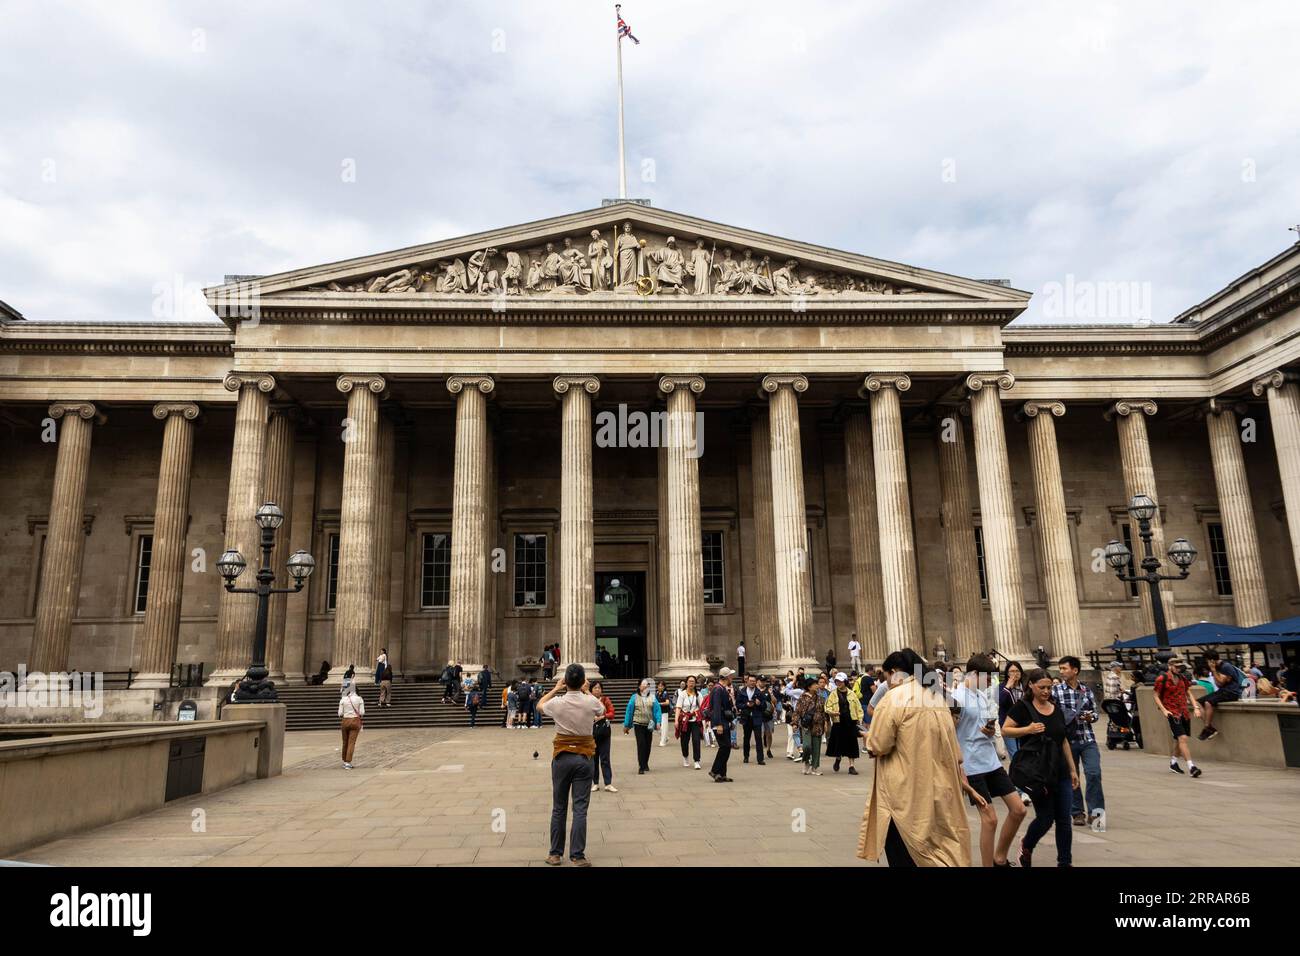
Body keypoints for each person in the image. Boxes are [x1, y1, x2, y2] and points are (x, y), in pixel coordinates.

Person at [858, 649, 971, 867]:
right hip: (940, 787)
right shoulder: (936, 697)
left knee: (905, 852)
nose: (886, 682)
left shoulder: (894, 698)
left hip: (904, 792)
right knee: (939, 850)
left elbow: (879, 744)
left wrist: (868, 738)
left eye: (886, 676)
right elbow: (955, 749)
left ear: (894, 672)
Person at [953, 654, 1026, 866]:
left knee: (1019, 809)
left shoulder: (982, 696)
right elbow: (949, 732)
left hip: (990, 759)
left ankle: (999, 858)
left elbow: (987, 725)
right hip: (971, 764)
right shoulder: (956, 697)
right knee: (990, 819)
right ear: (974, 674)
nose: (988, 683)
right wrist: (959, 769)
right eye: (987, 679)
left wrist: (989, 729)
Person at [1004, 667, 1079, 867]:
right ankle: (1027, 845)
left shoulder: (1056, 708)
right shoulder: (1023, 707)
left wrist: (1072, 769)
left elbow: (1063, 741)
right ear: (1031, 685)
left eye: (1049, 688)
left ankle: (1065, 862)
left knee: (1064, 820)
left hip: (1060, 770)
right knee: (1045, 818)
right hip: (1038, 773)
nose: (1046, 692)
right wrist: (1027, 729)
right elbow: (1005, 730)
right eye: (1042, 688)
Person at [539, 664, 605, 866]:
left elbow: (540, 705)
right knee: (580, 809)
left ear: (565, 681)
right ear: (583, 681)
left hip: (562, 758)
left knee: (559, 807)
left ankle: (555, 854)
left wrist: (556, 688)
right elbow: (601, 708)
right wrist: (586, 691)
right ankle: (577, 855)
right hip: (584, 758)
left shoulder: (558, 702)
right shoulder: (589, 702)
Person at [1052, 655, 1105, 831]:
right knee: (1071, 778)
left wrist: (1091, 716)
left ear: (1075, 670)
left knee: (1094, 774)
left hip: (1087, 738)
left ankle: (1096, 815)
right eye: (1060, 669)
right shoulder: (1056, 691)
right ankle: (1077, 813)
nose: (1061, 672)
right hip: (1067, 740)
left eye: (1064, 668)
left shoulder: (1087, 691)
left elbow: (1095, 713)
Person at [1154, 656, 1202, 777]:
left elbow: (1188, 692)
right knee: (1183, 738)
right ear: (1170, 666)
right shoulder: (1162, 679)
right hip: (1172, 712)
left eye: (1180, 666)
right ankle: (1192, 767)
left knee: (1179, 740)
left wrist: (1195, 707)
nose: (1179, 669)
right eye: (1176, 667)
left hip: (1184, 712)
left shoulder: (1182, 678)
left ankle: (1173, 763)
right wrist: (1164, 710)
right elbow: (1155, 695)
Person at [1198, 649, 1245, 740]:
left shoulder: (1225, 667)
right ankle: (1209, 728)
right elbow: (1218, 684)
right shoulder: (1218, 667)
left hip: (1232, 692)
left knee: (1208, 702)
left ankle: (1207, 728)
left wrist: (1213, 670)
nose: (1206, 663)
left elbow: (1220, 682)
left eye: (1207, 661)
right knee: (1198, 703)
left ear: (1211, 660)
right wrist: (1214, 671)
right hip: (1223, 690)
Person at [824, 672, 863, 774]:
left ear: (845, 681)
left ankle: (851, 766)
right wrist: (833, 712)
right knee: (839, 744)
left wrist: (859, 719)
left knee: (852, 744)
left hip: (850, 721)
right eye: (837, 681)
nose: (838, 683)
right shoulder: (833, 694)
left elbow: (858, 707)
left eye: (840, 681)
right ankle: (838, 759)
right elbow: (827, 707)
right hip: (838, 722)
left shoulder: (852, 694)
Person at [623, 678, 662, 774]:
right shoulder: (634, 697)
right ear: (639, 686)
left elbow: (657, 710)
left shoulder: (653, 697)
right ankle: (641, 766)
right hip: (638, 724)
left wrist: (658, 722)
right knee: (641, 744)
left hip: (649, 725)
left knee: (648, 745)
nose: (645, 686)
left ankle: (645, 763)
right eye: (643, 684)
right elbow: (629, 711)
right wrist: (627, 725)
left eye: (647, 684)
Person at [589, 681, 618, 793]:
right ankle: (595, 783)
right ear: (591, 690)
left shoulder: (605, 700)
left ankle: (608, 783)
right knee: (594, 759)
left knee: (605, 758)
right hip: (591, 733)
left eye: (599, 688)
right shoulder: (588, 700)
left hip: (604, 732)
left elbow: (612, 713)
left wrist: (602, 716)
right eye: (595, 688)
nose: (597, 690)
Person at [708, 668, 736, 782]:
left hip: (725, 722)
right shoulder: (717, 689)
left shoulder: (722, 688)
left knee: (727, 747)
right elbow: (717, 708)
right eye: (731, 676)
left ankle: (722, 774)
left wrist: (730, 722)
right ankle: (715, 770)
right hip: (719, 723)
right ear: (726, 677)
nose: (732, 678)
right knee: (725, 747)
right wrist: (718, 724)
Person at [794, 676, 827, 775]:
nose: (817, 686)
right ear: (809, 687)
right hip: (806, 726)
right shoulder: (802, 698)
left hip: (818, 725)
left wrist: (825, 722)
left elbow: (823, 712)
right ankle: (806, 761)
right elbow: (797, 711)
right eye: (814, 684)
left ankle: (815, 767)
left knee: (817, 748)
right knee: (807, 746)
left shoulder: (820, 698)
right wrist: (795, 723)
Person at [736, 674, 768, 765]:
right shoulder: (742, 691)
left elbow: (764, 706)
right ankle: (746, 757)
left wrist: (759, 704)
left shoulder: (759, 692)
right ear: (747, 681)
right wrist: (746, 705)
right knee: (746, 738)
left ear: (756, 682)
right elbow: (738, 704)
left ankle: (760, 759)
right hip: (746, 718)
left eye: (754, 681)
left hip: (756, 718)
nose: (752, 683)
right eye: (750, 681)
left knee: (758, 739)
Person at [674, 674, 705, 768]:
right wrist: (676, 720)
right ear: (686, 683)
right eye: (690, 681)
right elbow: (678, 708)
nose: (691, 683)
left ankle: (696, 760)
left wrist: (704, 719)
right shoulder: (682, 694)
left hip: (695, 720)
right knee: (684, 741)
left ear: (695, 684)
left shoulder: (698, 694)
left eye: (693, 682)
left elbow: (702, 707)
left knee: (696, 740)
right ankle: (685, 756)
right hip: (685, 720)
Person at [338, 671, 364, 770]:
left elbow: (339, 713)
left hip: (345, 721)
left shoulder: (343, 700)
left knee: (345, 742)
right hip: (355, 721)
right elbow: (362, 712)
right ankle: (348, 762)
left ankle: (344, 760)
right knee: (351, 742)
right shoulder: (360, 699)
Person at [784, 674, 806, 760]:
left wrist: (793, 681)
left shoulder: (798, 691)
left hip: (797, 714)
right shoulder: (804, 691)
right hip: (803, 714)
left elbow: (787, 691)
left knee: (795, 733)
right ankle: (802, 751)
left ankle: (801, 751)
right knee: (801, 733)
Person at [701, 678, 718, 748]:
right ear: (707, 685)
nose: (710, 687)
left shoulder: (716, 692)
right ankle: (708, 741)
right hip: (705, 712)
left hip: (713, 713)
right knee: (706, 728)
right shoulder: (703, 693)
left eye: (712, 685)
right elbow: (701, 704)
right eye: (709, 685)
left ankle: (713, 741)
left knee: (712, 727)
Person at [656, 680, 673, 746]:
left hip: (664, 712)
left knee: (664, 727)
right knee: (657, 727)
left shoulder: (665, 693)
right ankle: (666, 737)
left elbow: (667, 702)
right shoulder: (656, 693)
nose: (660, 687)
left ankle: (662, 742)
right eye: (659, 686)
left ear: (664, 687)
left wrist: (659, 704)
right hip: (658, 712)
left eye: (662, 686)